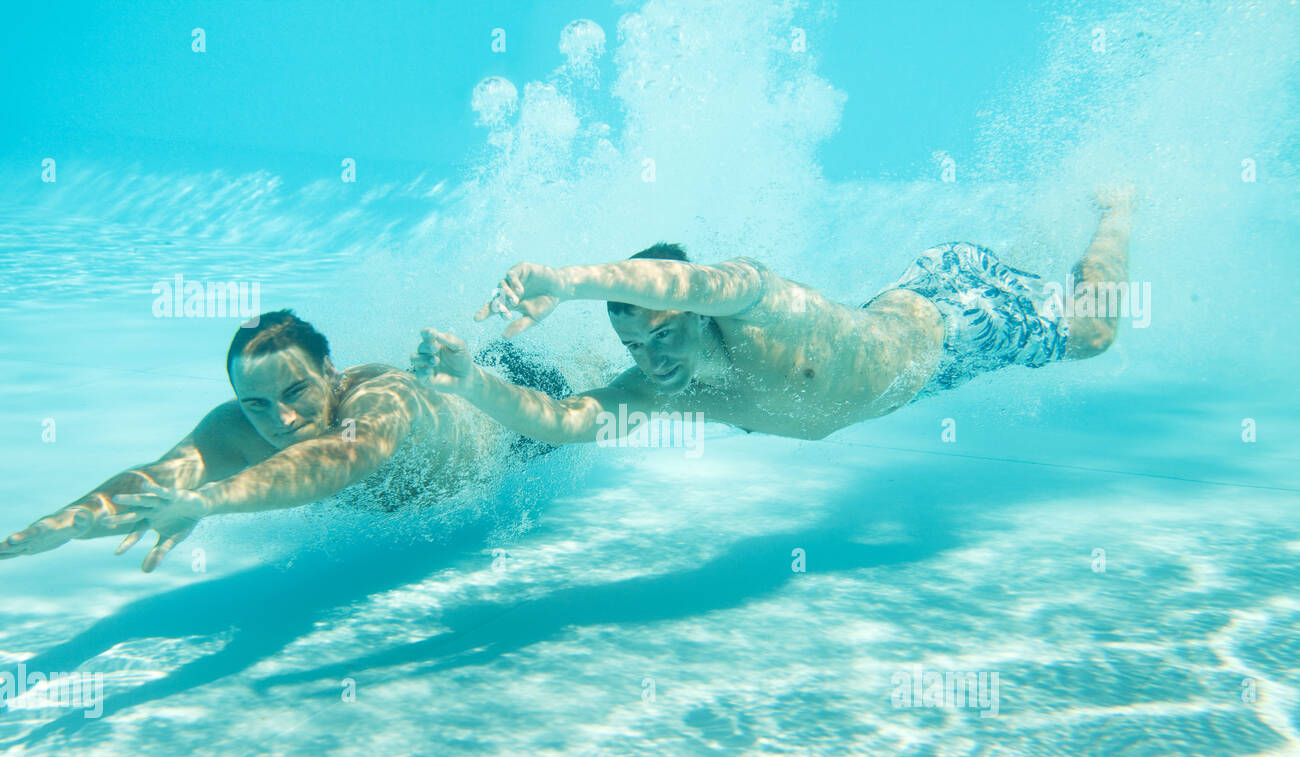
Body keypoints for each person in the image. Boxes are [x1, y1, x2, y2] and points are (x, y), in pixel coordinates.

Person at [412, 189, 1133, 442]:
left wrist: (566, 279)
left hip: (958, 322)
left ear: (696, 313)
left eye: (660, 333)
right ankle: (1031, 248)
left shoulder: (760, 307)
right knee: (1038, 295)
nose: (648, 359)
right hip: (912, 350)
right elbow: (563, 421)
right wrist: (469, 384)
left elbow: (711, 281)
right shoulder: (664, 389)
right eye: (631, 342)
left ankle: (1116, 213)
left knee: (1093, 332)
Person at [0, 311, 567, 572]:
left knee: (595, 400)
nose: (282, 419)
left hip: (520, 422)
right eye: (256, 403)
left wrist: (208, 501)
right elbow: (160, 477)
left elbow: (344, 457)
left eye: (296, 390)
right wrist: (69, 523)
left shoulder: (377, 396)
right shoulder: (238, 426)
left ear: (329, 368)